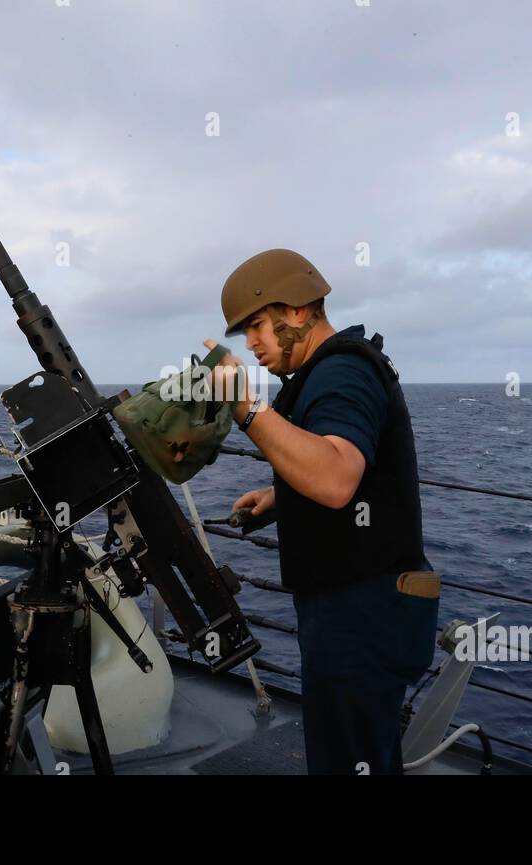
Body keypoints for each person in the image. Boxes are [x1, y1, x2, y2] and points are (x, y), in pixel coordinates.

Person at [205, 248, 439, 775]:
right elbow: (349, 478)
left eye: (259, 325)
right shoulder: (326, 372)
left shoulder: (343, 374)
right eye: (245, 333)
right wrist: (280, 500)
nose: (253, 343)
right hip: (357, 607)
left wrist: (245, 406)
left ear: (299, 310)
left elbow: (335, 479)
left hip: (362, 614)